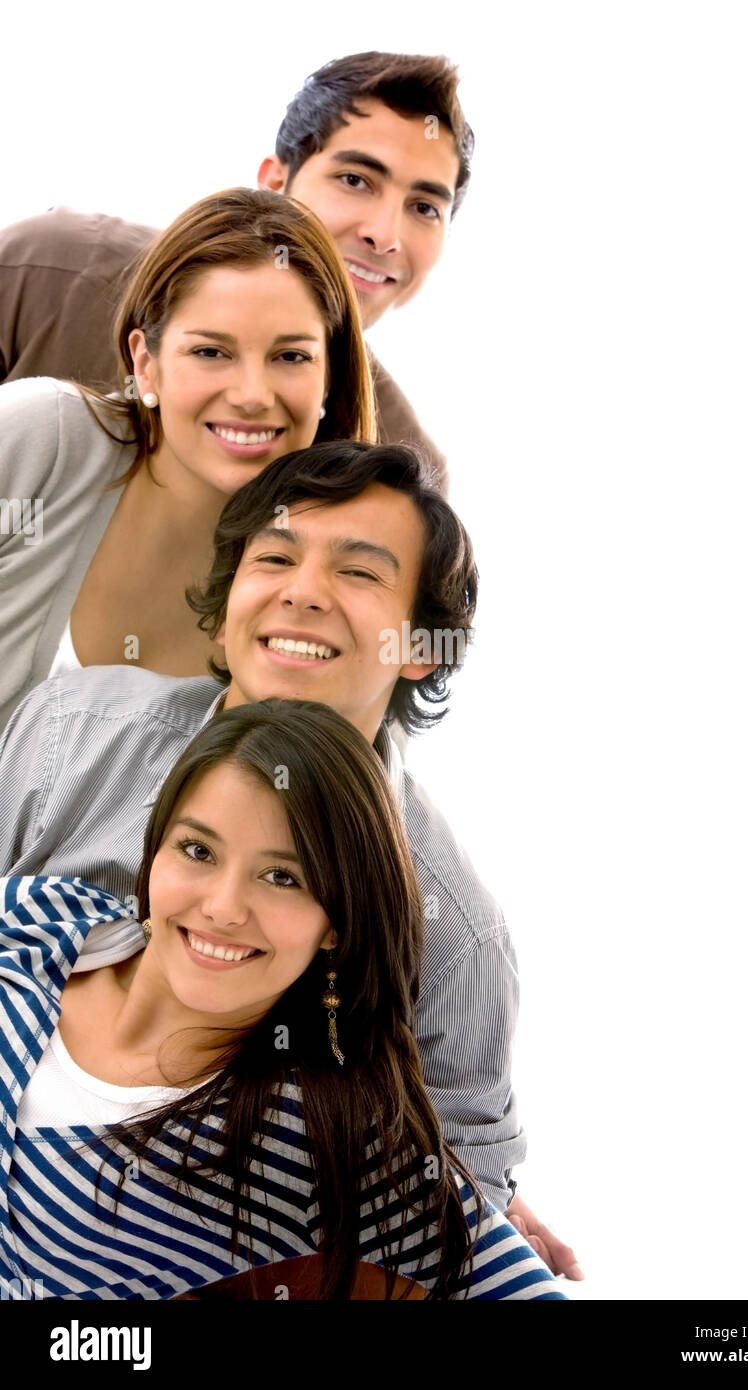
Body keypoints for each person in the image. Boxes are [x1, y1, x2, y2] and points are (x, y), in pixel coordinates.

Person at [0, 439, 583, 1279]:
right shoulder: (70, 729)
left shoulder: (455, 932)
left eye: (358, 573)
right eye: (272, 556)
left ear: (422, 645)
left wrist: (475, 1216)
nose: (301, 592)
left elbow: (440, 1205)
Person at [0, 699, 566, 1300]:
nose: (221, 907)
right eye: (198, 851)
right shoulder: (46, 919)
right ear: (154, 848)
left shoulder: (323, 1131)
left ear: (335, 925)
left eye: (282, 878)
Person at [0, 51, 470, 489]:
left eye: (425, 208)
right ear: (275, 181)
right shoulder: (51, 273)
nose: (385, 235)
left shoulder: (399, 474)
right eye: (354, 181)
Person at [0, 187, 374, 733]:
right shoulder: (41, 441)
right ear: (145, 363)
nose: (252, 394)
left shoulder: (322, 591)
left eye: (290, 356)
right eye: (210, 352)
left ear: (328, 379)